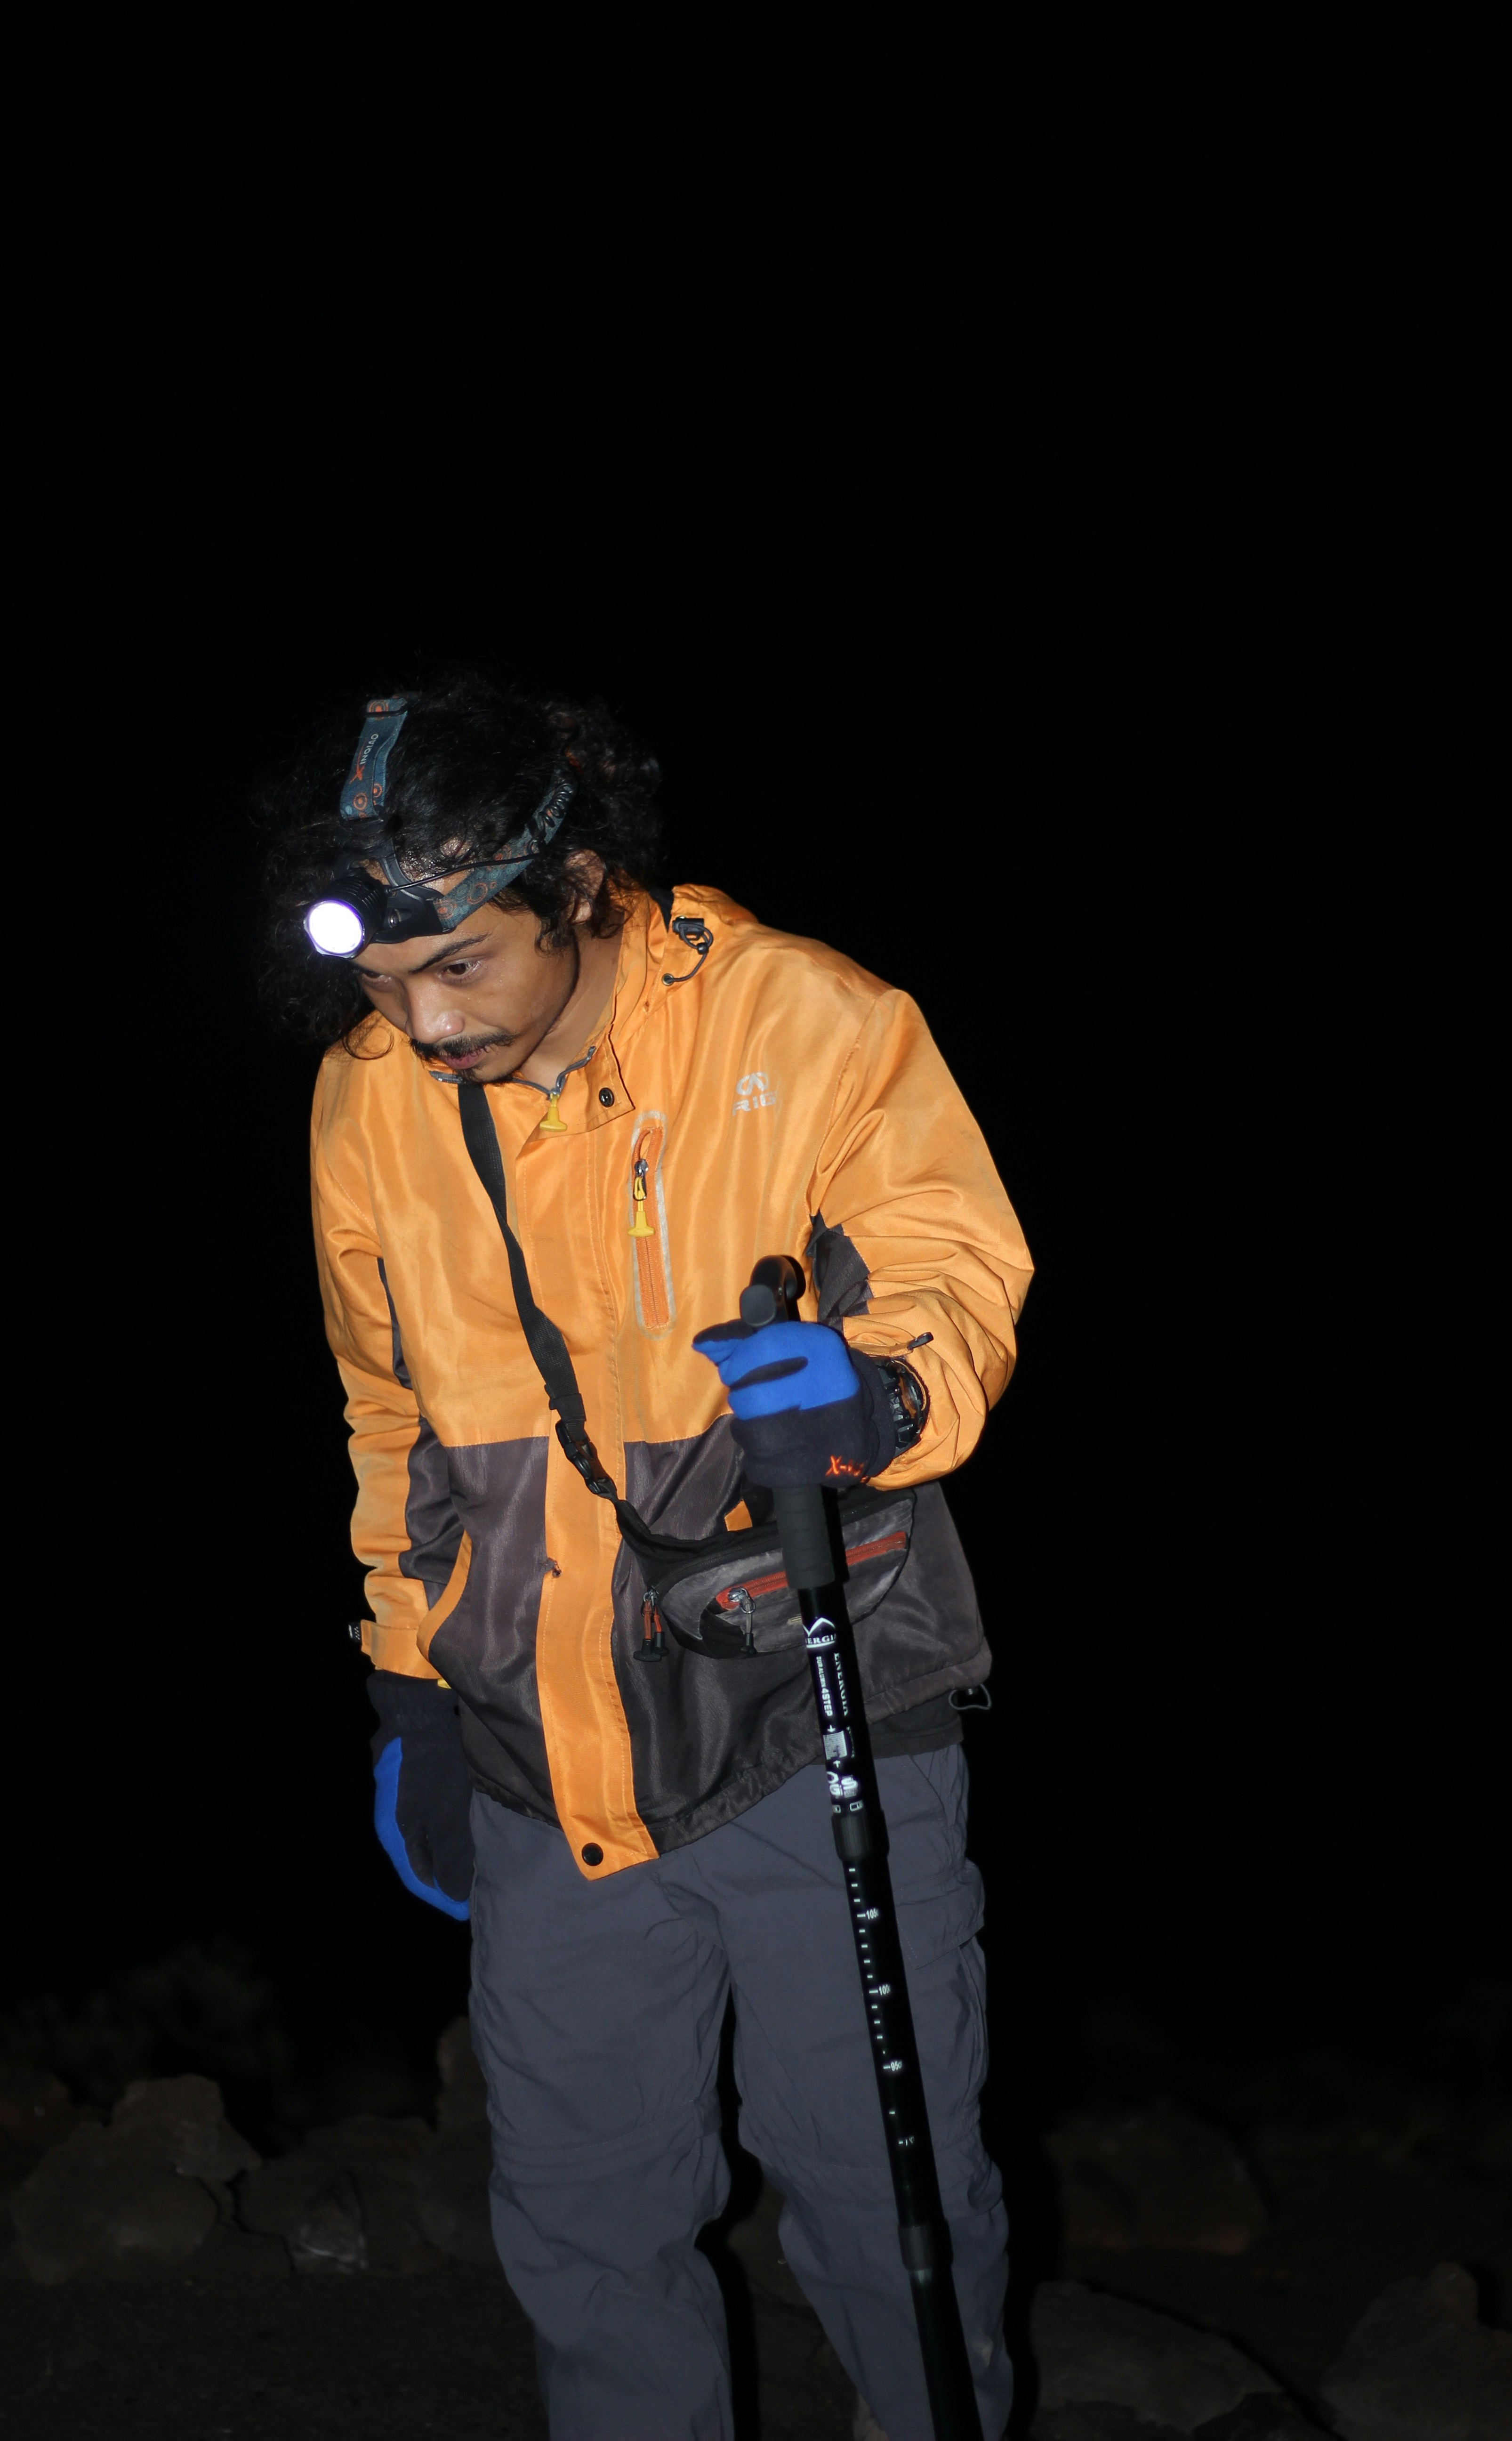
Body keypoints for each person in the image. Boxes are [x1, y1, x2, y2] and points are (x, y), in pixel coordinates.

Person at [262, 672, 1032, 2441]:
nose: (421, 1022)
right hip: (549, 1760)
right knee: (589, 2232)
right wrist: (409, 1690)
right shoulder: (369, 1102)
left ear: (586, 888)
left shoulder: (812, 1020)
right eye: (381, 986)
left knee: (882, 2209)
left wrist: (874, 1390)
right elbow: (392, 1424)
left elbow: (953, 1259)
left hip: (817, 1708)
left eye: (459, 967)